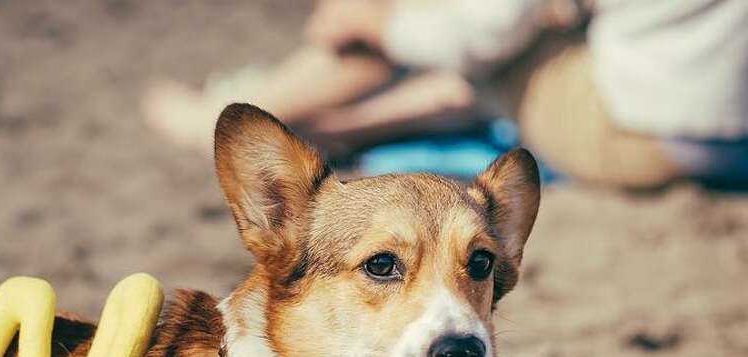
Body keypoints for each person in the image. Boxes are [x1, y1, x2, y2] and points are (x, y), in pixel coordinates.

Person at [143, 0, 748, 189]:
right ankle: (334, 125)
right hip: (728, 128)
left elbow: (481, 32)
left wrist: (378, 22)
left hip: (654, 135)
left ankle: (235, 119)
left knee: (401, 14)